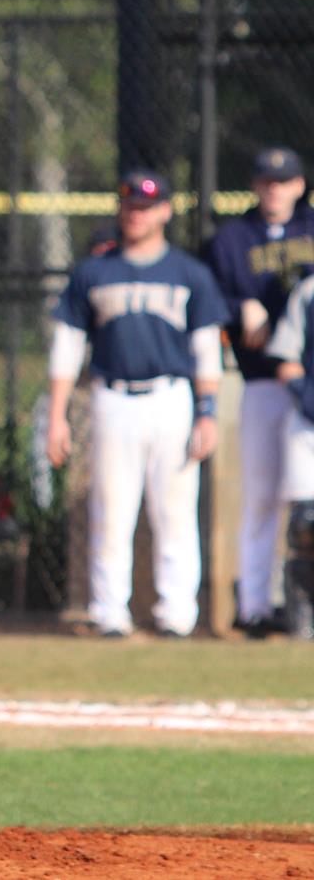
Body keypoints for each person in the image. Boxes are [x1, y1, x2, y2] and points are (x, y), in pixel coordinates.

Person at [46, 169, 228, 639]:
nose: (136, 214)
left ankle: (177, 614)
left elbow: (207, 349)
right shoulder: (95, 271)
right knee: (112, 508)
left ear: (165, 211)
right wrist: (56, 415)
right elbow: (67, 346)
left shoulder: (188, 273)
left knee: (175, 511)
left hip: (172, 397)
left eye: (146, 207)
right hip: (113, 397)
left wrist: (208, 413)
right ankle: (109, 612)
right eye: (129, 206)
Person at [204, 145, 314, 638]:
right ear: (255, 186)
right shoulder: (231, 238)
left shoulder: (311, 228)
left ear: (299, 184)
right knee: (262, 497)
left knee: (305, 508)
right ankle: (254, 606)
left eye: (283, 181)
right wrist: (241, 305)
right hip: (264, 384)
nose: (274, 189)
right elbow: (207, 293)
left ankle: (298, 607)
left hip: (305, 383)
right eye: (266, 181)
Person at [259, 256, 314, 640]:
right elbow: (286, 360)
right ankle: (304, 622)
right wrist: (306, 397)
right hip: (308, 424)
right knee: (306, 524)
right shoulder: (309, 292)